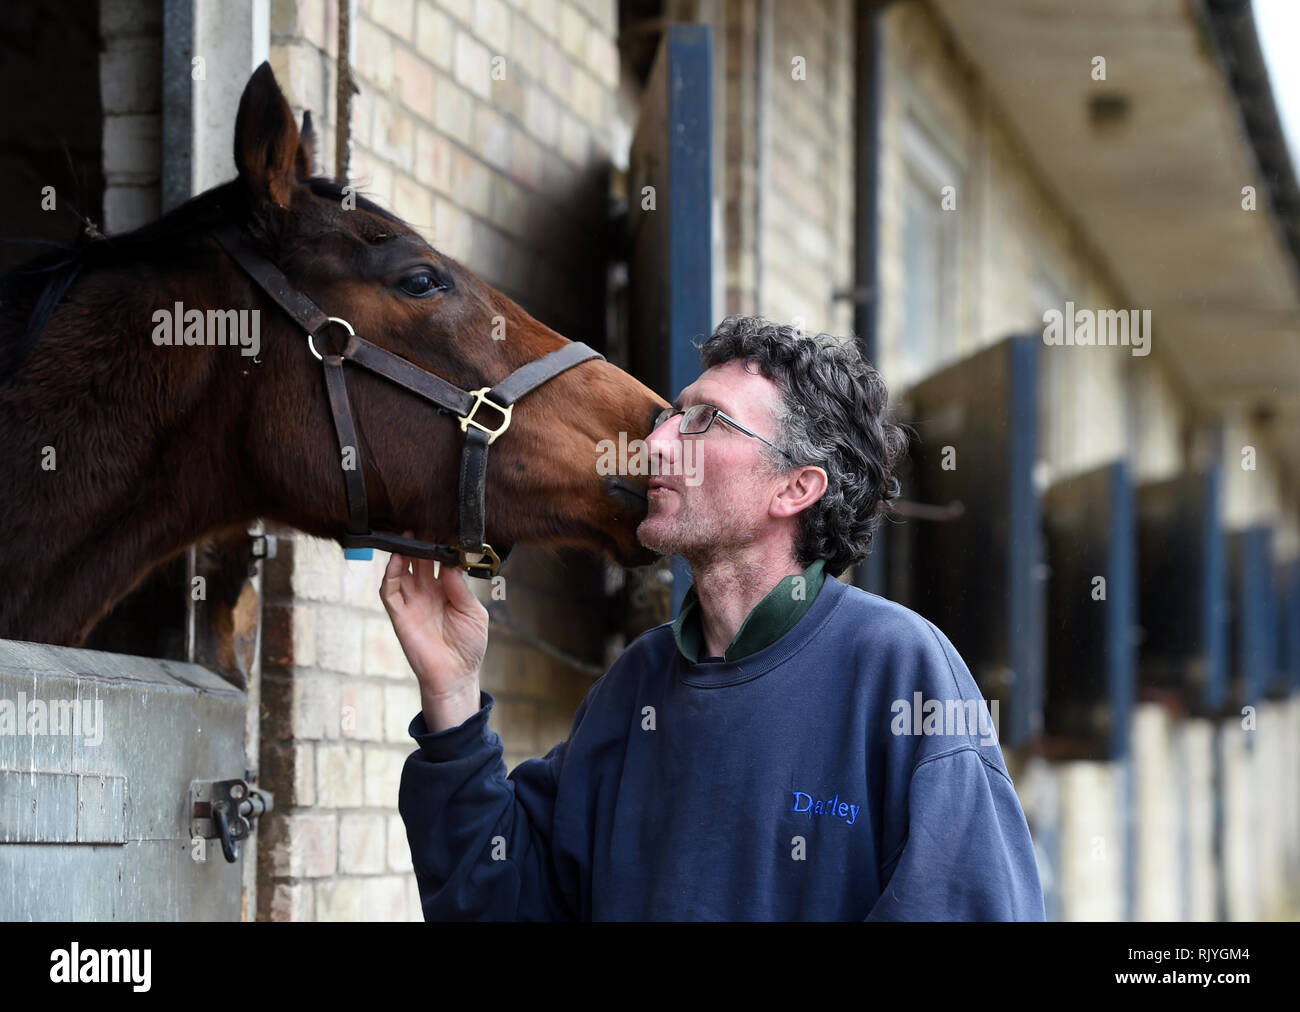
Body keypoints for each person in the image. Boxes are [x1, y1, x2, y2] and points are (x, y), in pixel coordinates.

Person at [386, 315, 1046, 920]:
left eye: (706, 421)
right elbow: (503, 898)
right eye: (673, 416)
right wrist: (453, 696)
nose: (656, 442)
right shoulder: (635, 686)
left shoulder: (900, 670)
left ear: (796, 487)